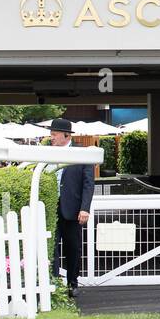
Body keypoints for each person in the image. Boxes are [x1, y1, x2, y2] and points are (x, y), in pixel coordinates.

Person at [49, 118, 92, 297]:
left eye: (54, 134)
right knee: (51, 248)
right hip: (51, 207)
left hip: (73, 208)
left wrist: (85, 208)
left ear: (66, 135)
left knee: (72, 247)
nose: (51, 138)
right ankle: (53, 283)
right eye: (51, 134)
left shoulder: (81, 154)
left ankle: (72, 283)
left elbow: (88, 184)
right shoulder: (45, 153)